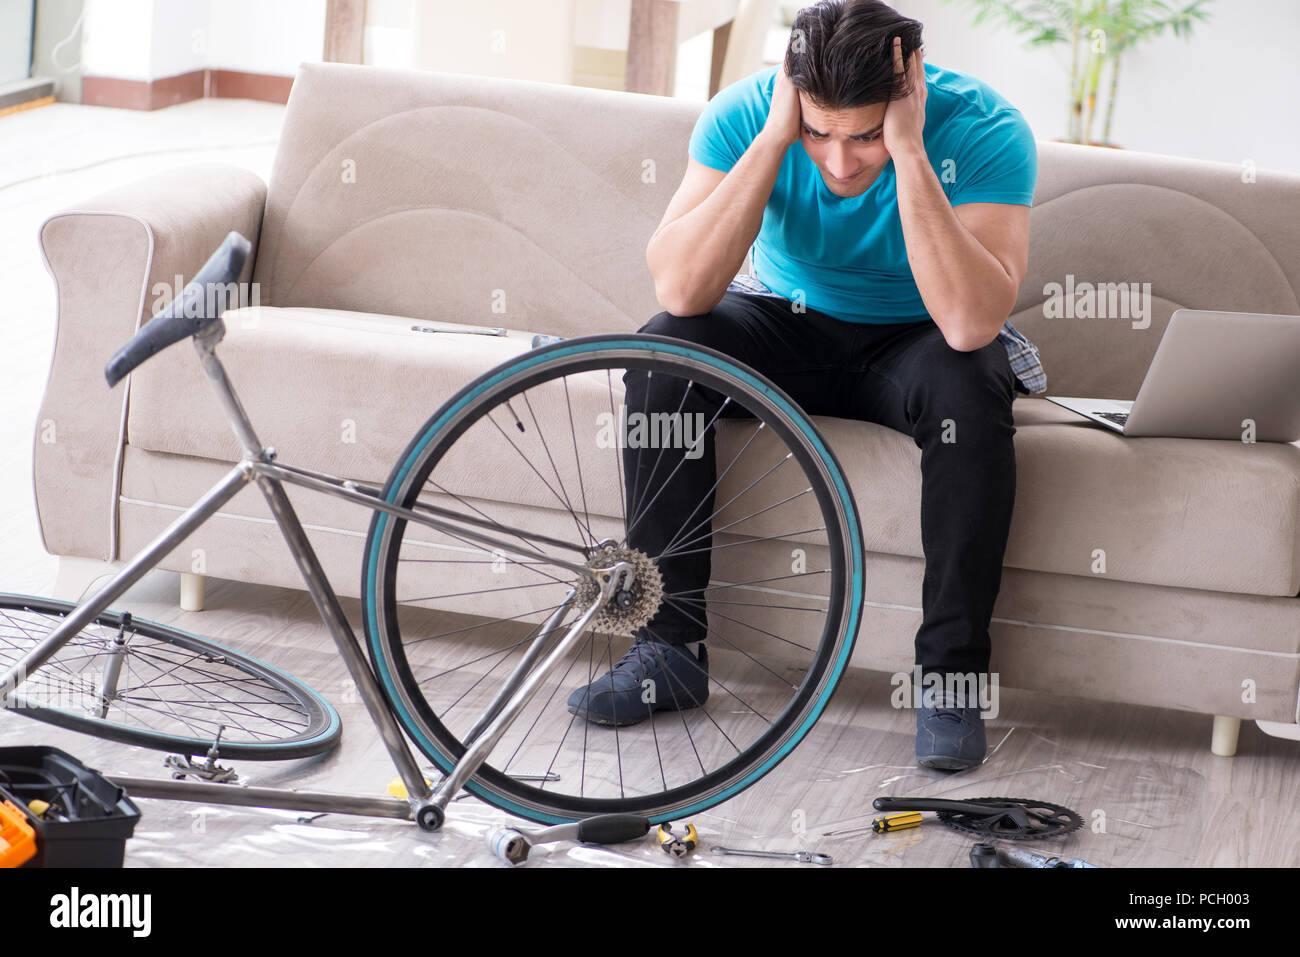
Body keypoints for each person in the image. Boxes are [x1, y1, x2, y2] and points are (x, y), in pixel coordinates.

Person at [566, 0, 1044, 771]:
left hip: (917, 337)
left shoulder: (986, 129)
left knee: (972, 382)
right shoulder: (747, 116)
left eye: (864, 136)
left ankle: (950, 677)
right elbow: (683, 289)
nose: (840, 163)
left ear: (909, 89)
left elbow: (966, 323)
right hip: (781, 319)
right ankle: (669, 651)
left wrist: (912, 154)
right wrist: (775, 138)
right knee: (663, 352)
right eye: (820, 132)